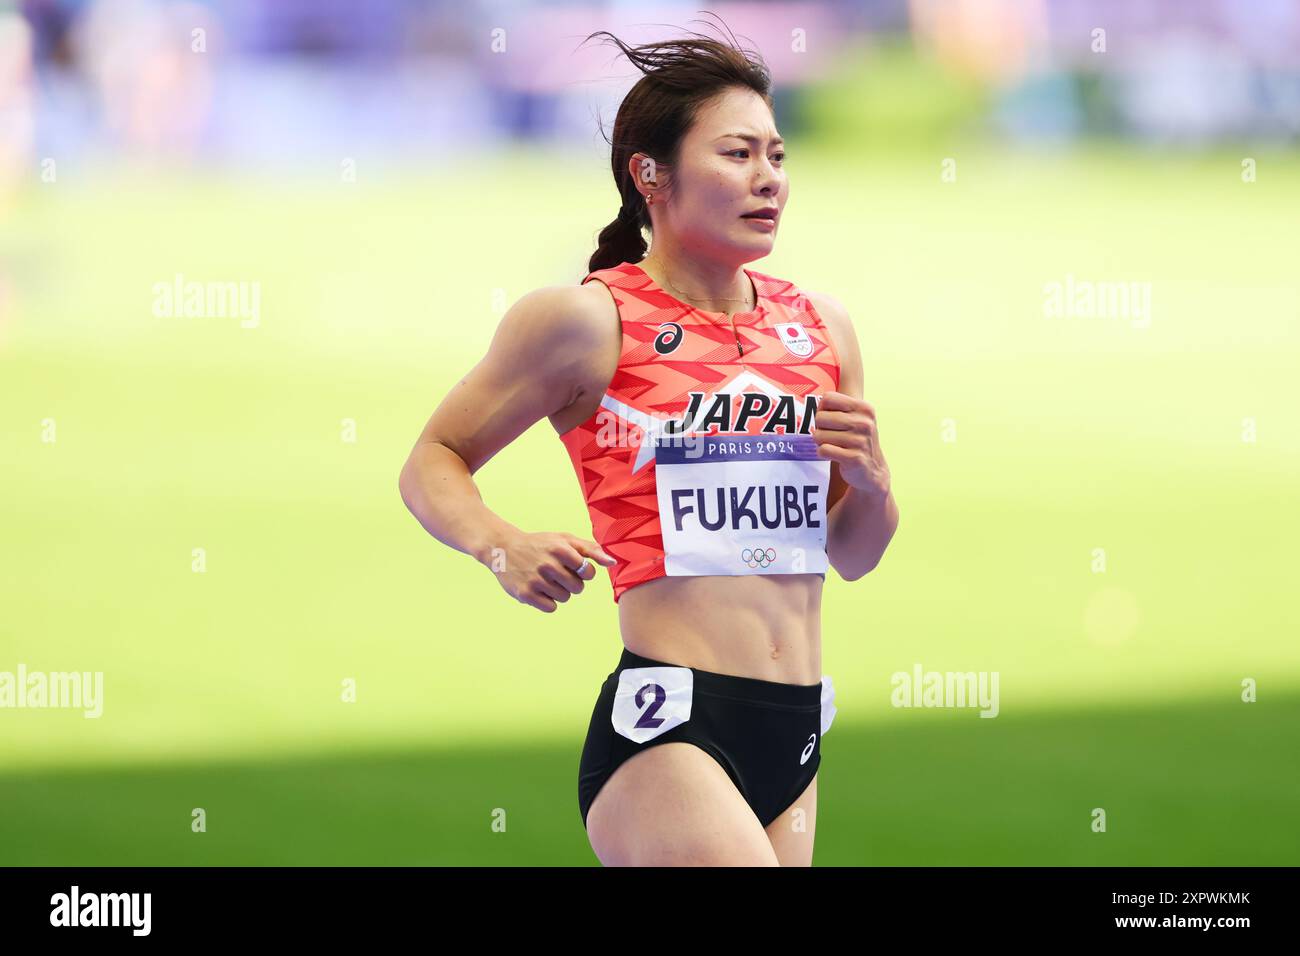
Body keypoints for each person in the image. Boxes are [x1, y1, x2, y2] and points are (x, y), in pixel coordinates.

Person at [398, 26, 899, 866]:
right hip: (671, 728)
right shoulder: (587, 322)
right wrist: (501, 545)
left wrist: (872, 482)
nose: (768, 178)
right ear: (650, 174)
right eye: (737, 154)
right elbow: (432, 458)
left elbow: (855, 555)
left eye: (776, 155)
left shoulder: (820, 325)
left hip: (798, 727)